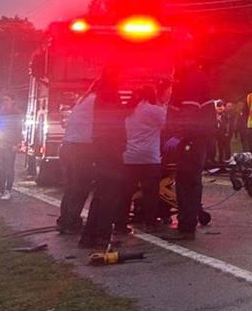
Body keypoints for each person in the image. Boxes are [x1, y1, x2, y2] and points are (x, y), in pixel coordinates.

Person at [162, 63, 215, 241]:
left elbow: (182, 118)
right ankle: (188, 222)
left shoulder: (184, 92)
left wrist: (177, 136)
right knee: (192, 183)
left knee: (185, 183)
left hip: (187, 144)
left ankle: (186, 224)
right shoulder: (205, 95)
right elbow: (210, 124)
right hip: (197, 144)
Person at [79, 69, 129, 248]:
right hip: (110, 149)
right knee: (110, 195)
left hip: (101, 148)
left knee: (100, 193)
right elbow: (116, 121)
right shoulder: (110, 96)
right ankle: (103, 235)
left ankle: (89, 235)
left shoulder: (98, 96)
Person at [119, 83, 167, 233]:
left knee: (126, 192)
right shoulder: (154, 110)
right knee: (150, 192)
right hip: (149, 157)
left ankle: (120, 223)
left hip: (129, 156)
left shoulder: (128, 111)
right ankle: (150, 222)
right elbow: (167, 123)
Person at [57, 84, 97, 233]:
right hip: (81, 149)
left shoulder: (83, 99)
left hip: (68, 146)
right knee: (81, 187)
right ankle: (71, 221)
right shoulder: (96, 100)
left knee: (71, 186)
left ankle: (65, 220)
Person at [0, 94, 23, 200]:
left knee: (9, 168)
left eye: (7, 100)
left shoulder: (16, 113)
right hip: (0, 143)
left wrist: (16, 143)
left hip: (9, 144)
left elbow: (18, 129)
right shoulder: (0, 113)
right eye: (3, 100)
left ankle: (8, 190)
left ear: (13, 101)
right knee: (1, 169)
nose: (5, 102)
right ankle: (1, 190)